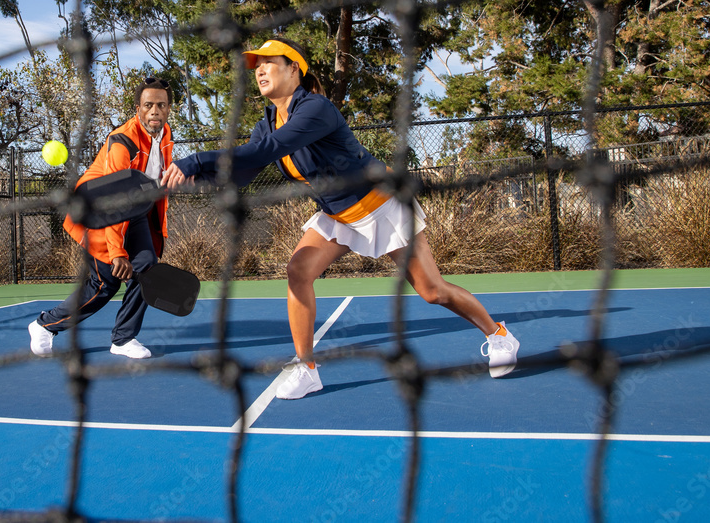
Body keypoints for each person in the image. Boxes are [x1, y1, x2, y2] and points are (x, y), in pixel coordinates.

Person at [161, 38, 519, 399]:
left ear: (293, 69)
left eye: (269, 62)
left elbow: (268, 150)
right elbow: (244, 171)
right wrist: (197, 179)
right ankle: (306, 369)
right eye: (257, 66)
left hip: (382, 204)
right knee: (298, 271)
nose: (260, 71)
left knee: (433, 292)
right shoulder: (266, 123)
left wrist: (194, 160)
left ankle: (499, 335)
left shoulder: (316, 109)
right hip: (336, 214)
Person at [28, 77, 174, 359]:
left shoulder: (165, 133)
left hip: (134, 211)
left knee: (147, 268)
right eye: (148, 105)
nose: (155, 111)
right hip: (97, 211)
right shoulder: (122, 142)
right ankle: (45, 325)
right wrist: (117, 252)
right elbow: (113, 201)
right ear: (138, 109)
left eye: (161, 105)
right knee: (105, 284)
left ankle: (123, 339)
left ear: (168, 109)